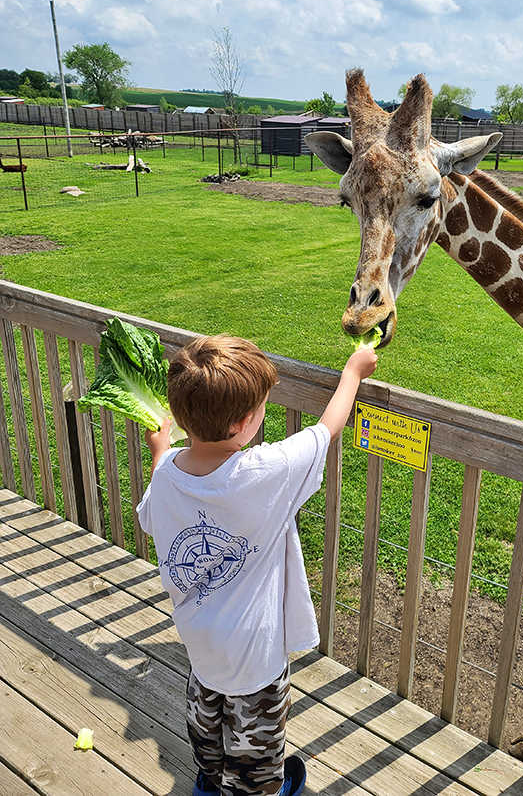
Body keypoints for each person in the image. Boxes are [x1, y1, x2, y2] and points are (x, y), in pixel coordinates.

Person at [137, 335, 378, 796]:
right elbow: (326, 430)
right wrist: (352, 372)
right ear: (245, 422)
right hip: (256, 656)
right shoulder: (264, 473)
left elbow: (150, 515)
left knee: (207, 724)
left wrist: (159, 449)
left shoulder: (168, 472)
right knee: (257, 757)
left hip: (200, 643)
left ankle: (210, 780)